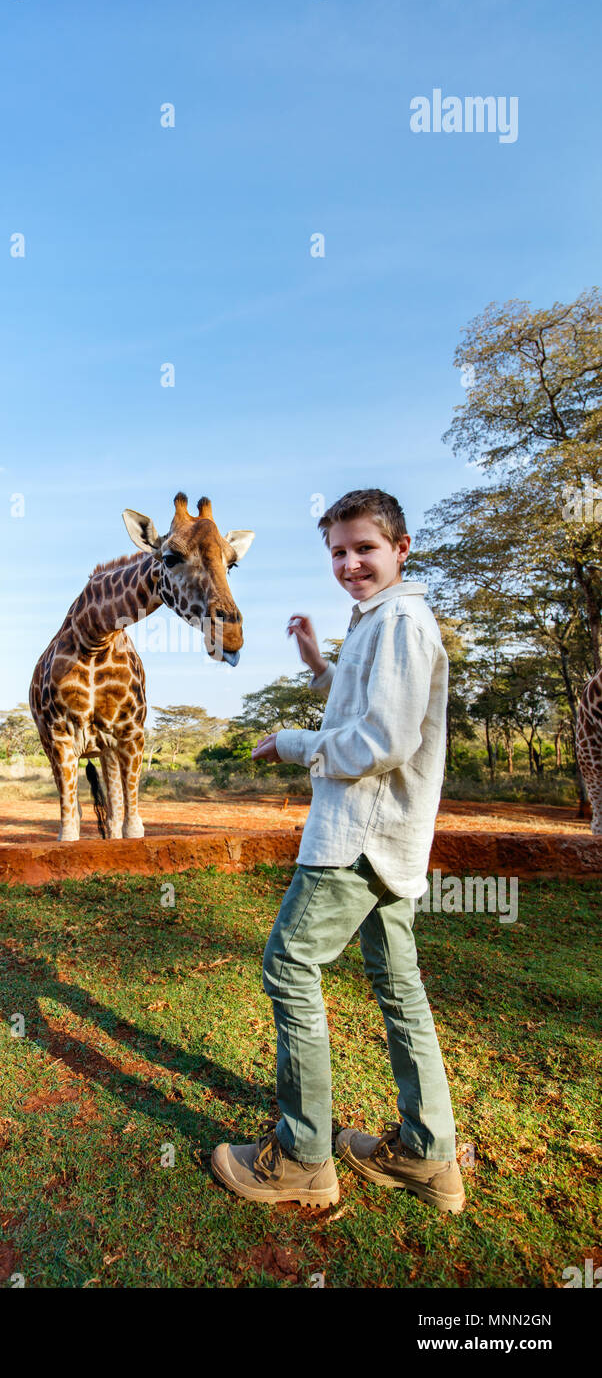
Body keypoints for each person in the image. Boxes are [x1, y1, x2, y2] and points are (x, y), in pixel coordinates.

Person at [210, 488, 465, 1214]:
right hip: (393, 844)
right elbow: (364, 704)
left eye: (365, 549)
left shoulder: (402, 623)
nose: (350, 563)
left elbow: (382, 741)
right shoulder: (383, 623)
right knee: (400, 989)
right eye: (338, 553)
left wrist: (292, 744)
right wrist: (318, 662)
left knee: (289, 966)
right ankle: (427, 1153)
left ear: (402, 548)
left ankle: (301, 1159)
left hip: (356, 838)